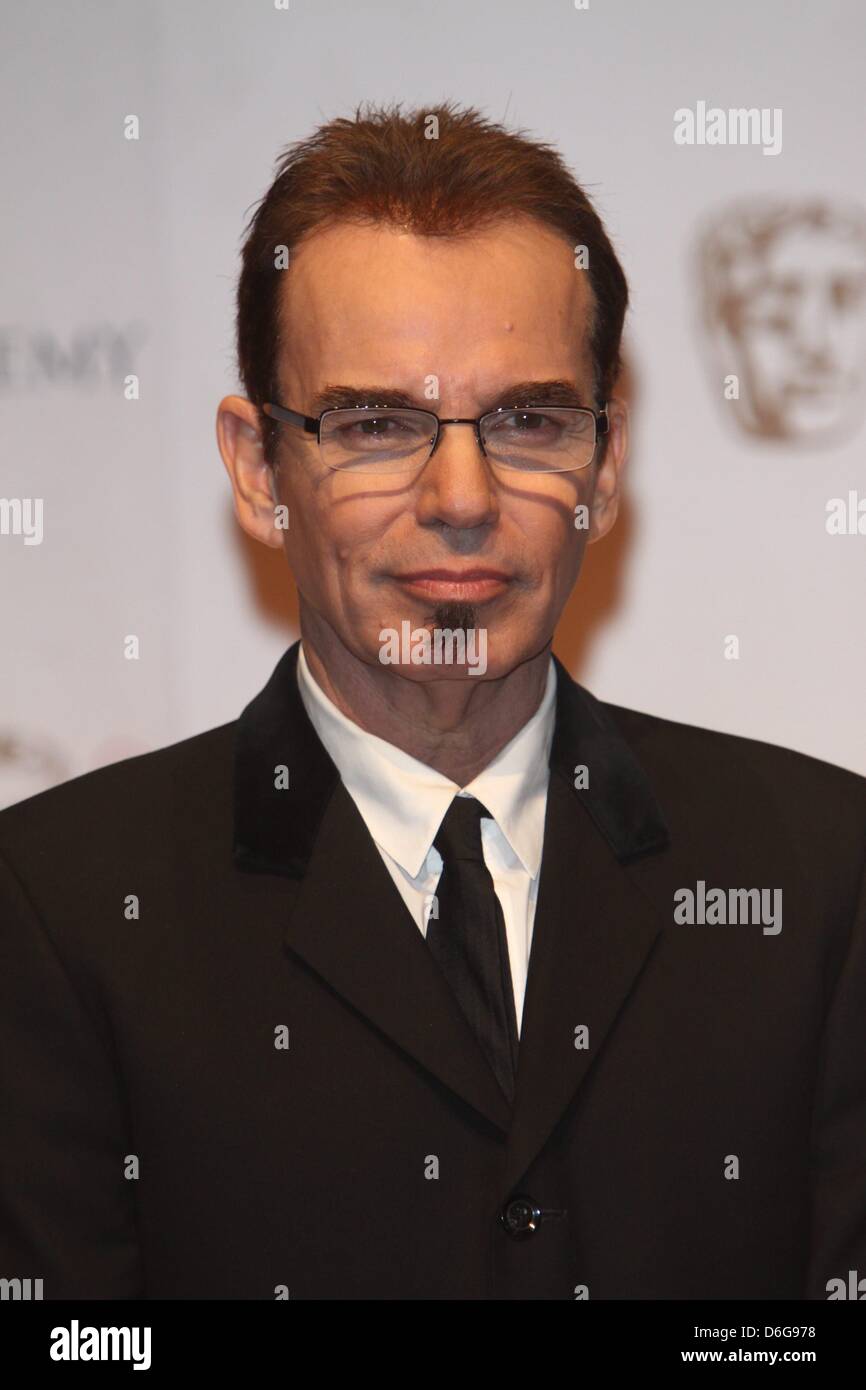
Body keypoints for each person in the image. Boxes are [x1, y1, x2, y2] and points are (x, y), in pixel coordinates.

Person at [1, 102, 864, 1301]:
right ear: (260, 471)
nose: (459, 495)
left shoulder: (821, 873)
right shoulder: (56, 906)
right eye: (375, 425)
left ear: (602, 469)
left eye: (525, 420)